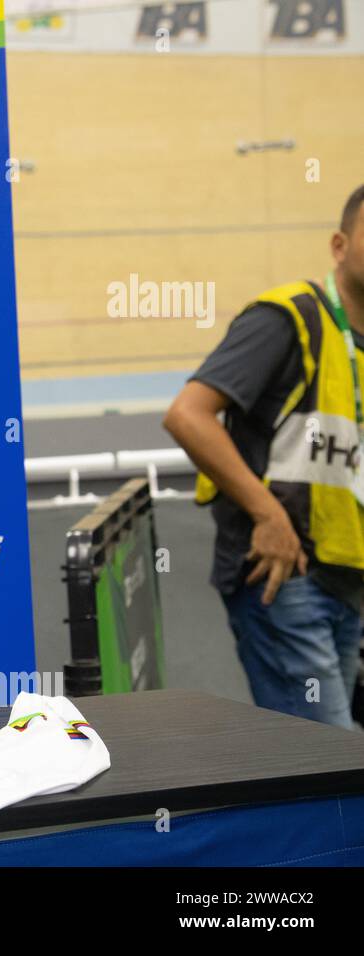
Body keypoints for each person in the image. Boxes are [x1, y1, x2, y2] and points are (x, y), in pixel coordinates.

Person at [163, 183, 364, 729]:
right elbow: (188, 415)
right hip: (285, 574)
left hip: (347, 580)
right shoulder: (288, 318)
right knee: (327, 763)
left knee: (332, 758)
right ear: (340, 245)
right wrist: (267, 514)